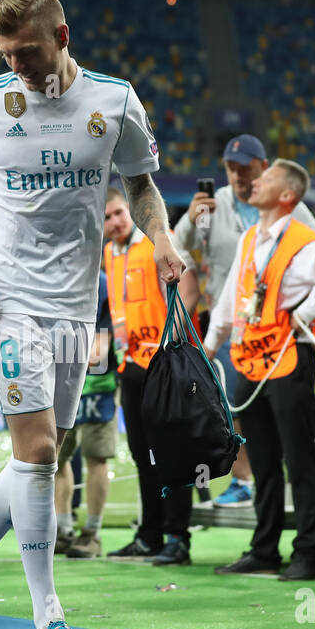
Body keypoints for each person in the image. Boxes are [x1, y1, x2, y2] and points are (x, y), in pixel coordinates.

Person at [0, 0, 184, 629]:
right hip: (6, 296)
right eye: (8, 55)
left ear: (62, 39)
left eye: (30, 52)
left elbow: (141, 185)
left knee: (47, 453)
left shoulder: (113, 100)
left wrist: (160, 237)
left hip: (78, 304)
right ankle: (50, 620)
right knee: (39, 452)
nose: (19, 67)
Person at [204, 160, 315, 578]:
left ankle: (307, 552)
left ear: (287, 194)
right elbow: (231, 300)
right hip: (251, 360)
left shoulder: (306, 242)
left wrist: (301, 313)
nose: (255, 181)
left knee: (300, 460)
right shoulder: (251, 238)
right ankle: (264, 548)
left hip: (289, 361)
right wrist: (209, 346)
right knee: (265, 461)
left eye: (266, 178)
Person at [173, 134, 315, 507]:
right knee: (229, 406)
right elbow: (182, 247)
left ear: (263, 167)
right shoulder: (216, 204)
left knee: (273, 410)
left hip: (276, 328)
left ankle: (275, 483)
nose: (237, 175)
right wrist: (190, 221)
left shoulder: (288, 206)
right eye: (231, 168)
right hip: (230, 323)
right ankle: (244, 480)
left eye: (246, 168)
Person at [100, 189, 201, 564]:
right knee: (144, 456)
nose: (115, 221)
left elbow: (189, 294)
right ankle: (151, 534)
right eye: (107, 216)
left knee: (174, 452)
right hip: (131, 366)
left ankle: (178, 537)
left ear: (132, 212)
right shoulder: (111, 254)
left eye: (119, 213)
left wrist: (167, 345)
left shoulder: (156, 244)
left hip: (163, 365)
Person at [54, 270, 116, 559]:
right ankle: (63, 530)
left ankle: (91, 534)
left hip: (95, 383)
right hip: (60, 381)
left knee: (96, 456)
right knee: (55, 457)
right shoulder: (54, 275)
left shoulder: (100, 281)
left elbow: (100, 346)